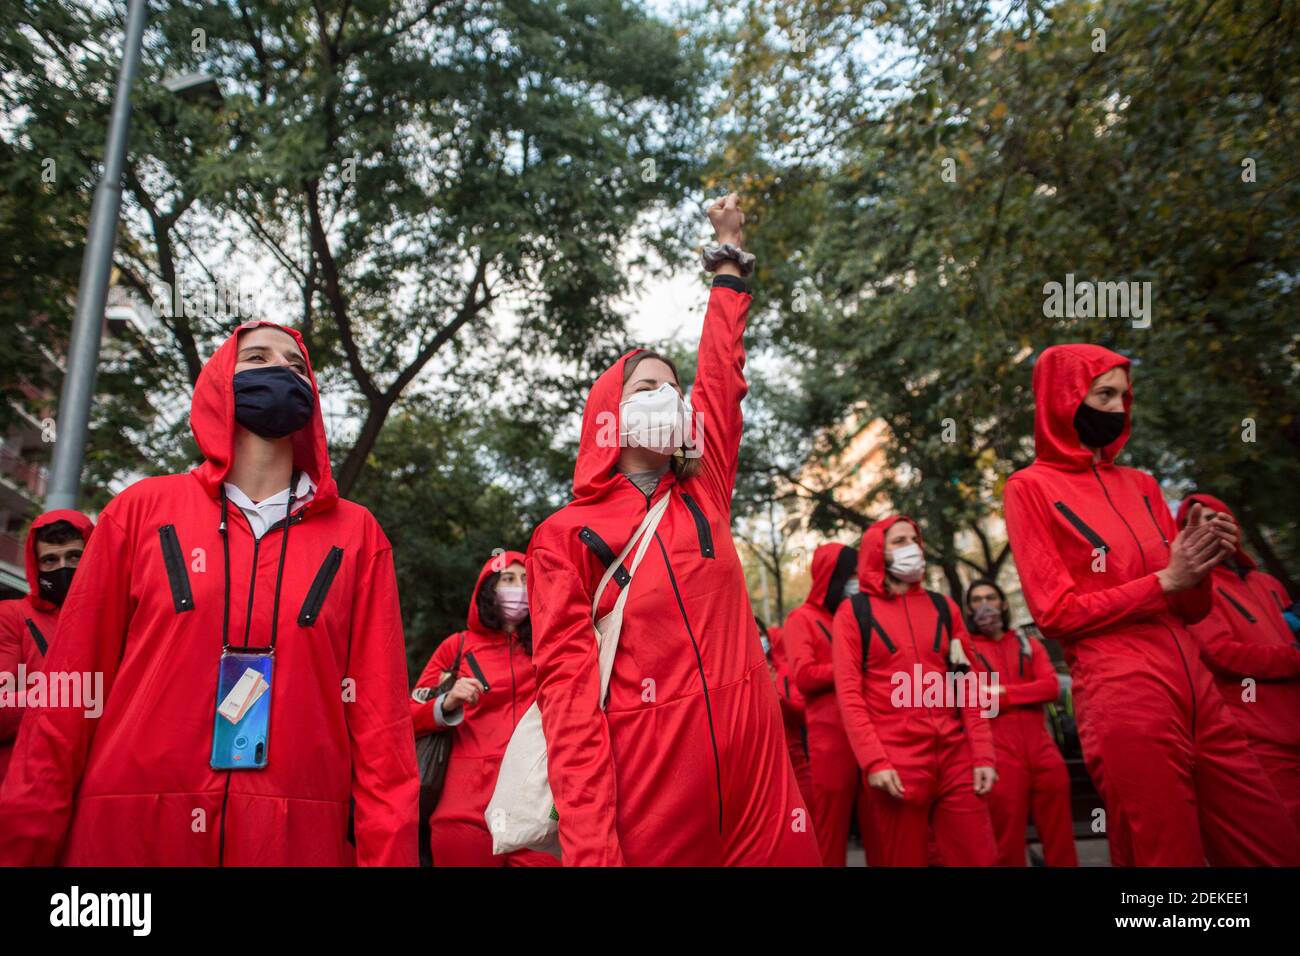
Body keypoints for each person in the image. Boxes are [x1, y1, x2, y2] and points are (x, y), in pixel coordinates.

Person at [0, 322, 417, 866]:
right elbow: (70, 697)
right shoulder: (140, 512)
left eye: (296, 367)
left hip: (291, 840)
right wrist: (22, 848)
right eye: (258, 358)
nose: (281, 372)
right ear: (221, 382)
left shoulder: (357, 537)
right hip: (130, 839)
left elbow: (381, 724)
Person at [525, 193, 820, 865]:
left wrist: (729, 258)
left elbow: (721, 375)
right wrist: (595, 850)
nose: (668, 395)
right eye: (645, 387)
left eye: (671, 386)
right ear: (609, 417)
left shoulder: (705, 490)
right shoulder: (565, 537)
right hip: (654, 808)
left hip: (761, 795)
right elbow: (569, 709)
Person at [1002, 343, 1300, 866]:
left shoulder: (1141, 485)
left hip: (1199, 693)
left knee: (1272, 842)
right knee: (1165, 857)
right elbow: (1055, 614)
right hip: (1123, 693)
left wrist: (1202, 560)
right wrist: (1165, 579)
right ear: (1065, 397)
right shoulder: (1029, 487)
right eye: (1103, 394)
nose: (1117, 408)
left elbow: (1190, 608)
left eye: (1123, 395)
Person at [831, 516, 997, 866]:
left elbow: (967, 684)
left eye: (915, 539)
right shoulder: (853, 613)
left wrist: (982, 754)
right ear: (879, 551)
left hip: (955, 760)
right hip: (896, 765)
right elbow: (849, 695)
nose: (913, 547)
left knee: (978, 856)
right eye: (900, 541)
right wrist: (874, 760)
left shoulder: (943, 607)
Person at [411, 550, 559, 867]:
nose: (518, 589)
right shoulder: (456, 647)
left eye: (524, 580)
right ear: (489, 588)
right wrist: (446, 703)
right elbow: (407, 716)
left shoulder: (550, 646)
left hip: (533, 806)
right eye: (508, 579)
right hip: (464, 809)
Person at [1174, 493, 1300, 833]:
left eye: (1218, 517)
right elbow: (1221, 653)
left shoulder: (1268, 583)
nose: (1212, 525)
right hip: (1258, 734)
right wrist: (1294, 659)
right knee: (1282, 836)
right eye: (1198, 521)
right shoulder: (1197, 587)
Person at [965, 579, 1078, 867]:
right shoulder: (966, 651)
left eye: (990, 597)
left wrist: (1002, 692)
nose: (985, 605)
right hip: (999, 754)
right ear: (968, 608)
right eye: (977, 600)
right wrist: (1024, 692)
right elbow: (976, 699)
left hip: (1043, 750)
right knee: (1007, 841)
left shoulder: (1028, 643)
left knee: (1060, 837)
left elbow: (1051, 688)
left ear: (1003, 603)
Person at [784, 542, 869, 866]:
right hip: (831, 742)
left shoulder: (858, 615)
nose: (857, 580)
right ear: (831, 576)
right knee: (830, 833)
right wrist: (851, 665)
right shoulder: (801, 619)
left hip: (869, 733)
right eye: (851, 574)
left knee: (882, 826)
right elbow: (804, 675)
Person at [0, 510, 95, 787]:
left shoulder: (117, 618)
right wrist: (75, 696)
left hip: (89, 787)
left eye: (75, 556)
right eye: (50, 560)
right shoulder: (12, 617)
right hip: (23, 784)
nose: (63, 568)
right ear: (35, 565)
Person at [759, 617, 813, 808]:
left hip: (796, 764)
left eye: (760, 635)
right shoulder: (737, 680)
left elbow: (801, 714)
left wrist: (778, 696)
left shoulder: (784, 671)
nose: (758, 640)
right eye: (753, 636)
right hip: (763, 772)